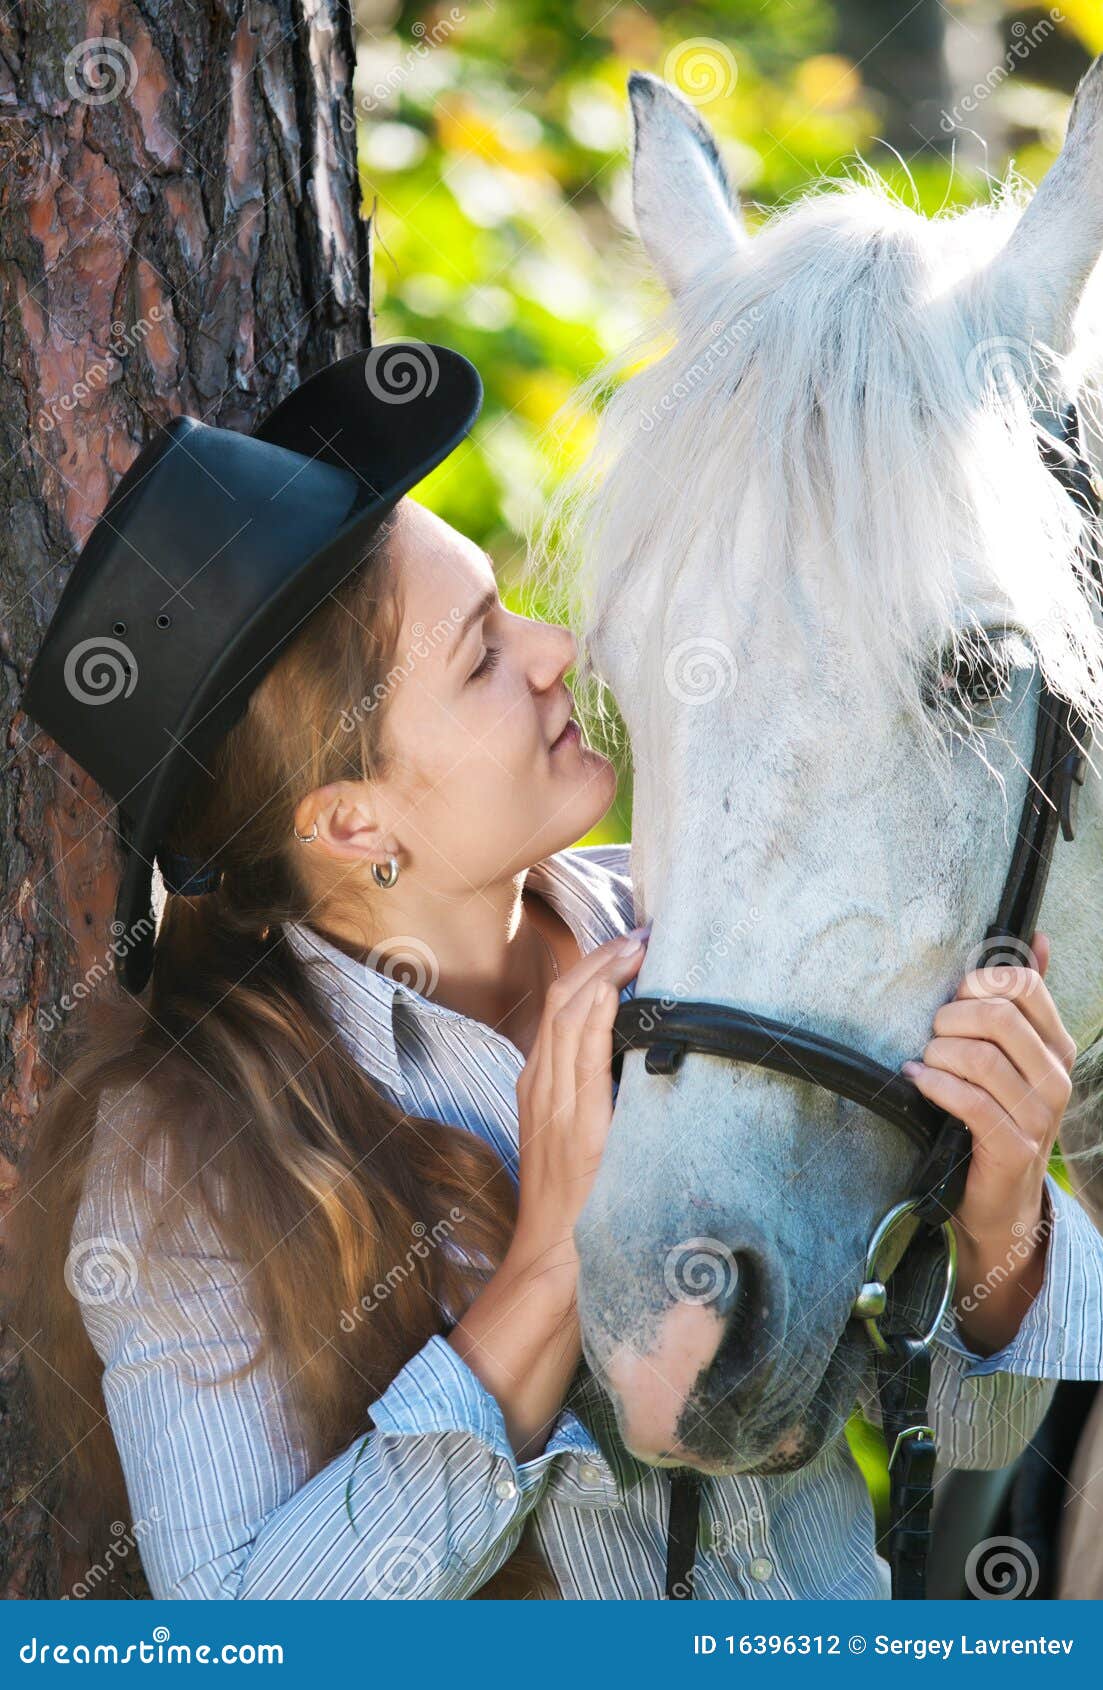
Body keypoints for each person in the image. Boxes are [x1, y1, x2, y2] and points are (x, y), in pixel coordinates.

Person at [9, 334, 1103, 1602]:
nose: (558, 650)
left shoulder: (717, 931)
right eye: (481, 655)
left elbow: (968, 1438)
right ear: (354, 822)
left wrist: (1004, 1226)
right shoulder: (179, 1155)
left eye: (510, 604)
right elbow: (247, 1633)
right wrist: (544, 1270)